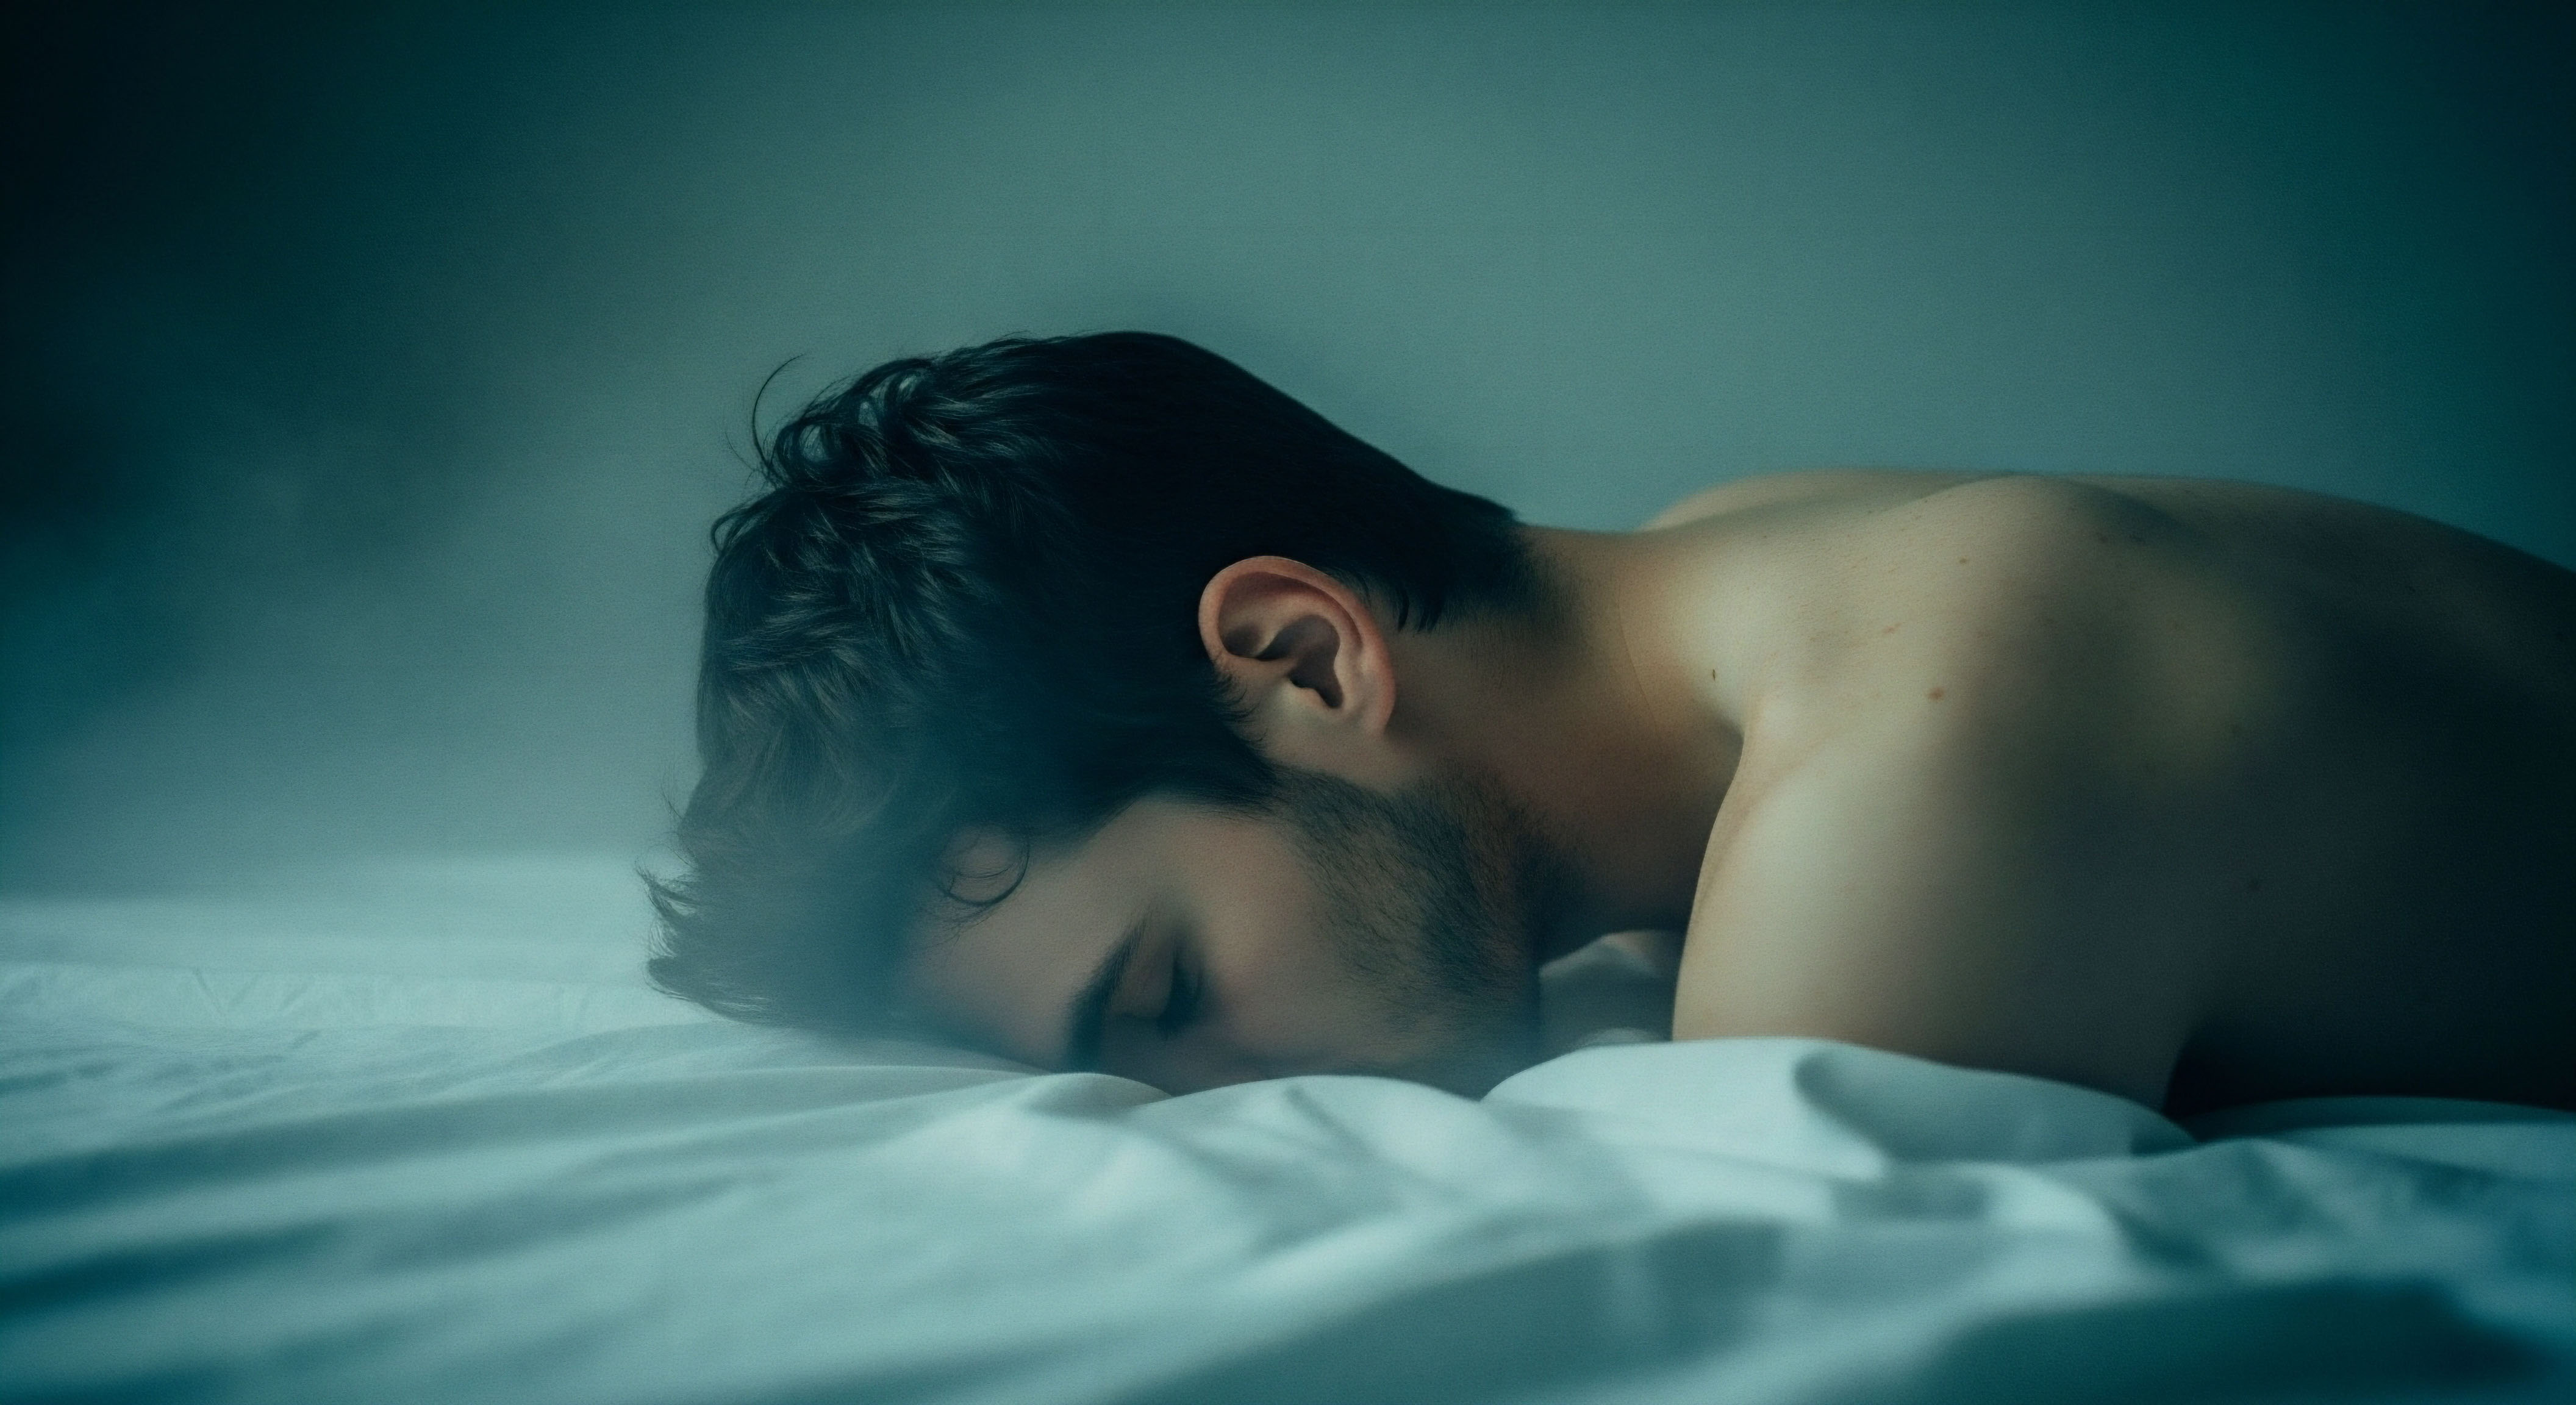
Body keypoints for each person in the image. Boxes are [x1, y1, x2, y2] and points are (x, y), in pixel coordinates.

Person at [650, 331, 2576, 1115]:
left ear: (1306, 659)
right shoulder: (1745, 560)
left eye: (1164, 999)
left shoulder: (1908, 780)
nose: (1220, 1104)